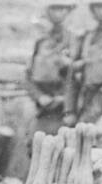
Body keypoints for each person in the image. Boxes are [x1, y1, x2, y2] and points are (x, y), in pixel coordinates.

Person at [26, 4, 79, 136]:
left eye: (61, 9)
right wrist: (39, 97)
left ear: (68, 12)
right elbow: (28, 76)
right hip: (44, 109)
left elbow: (75, 79)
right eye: (53, 9)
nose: (57, 14)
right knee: (34, 143)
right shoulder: (41, 42)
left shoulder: (75, 40)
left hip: (66, 110)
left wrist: (69, 110)